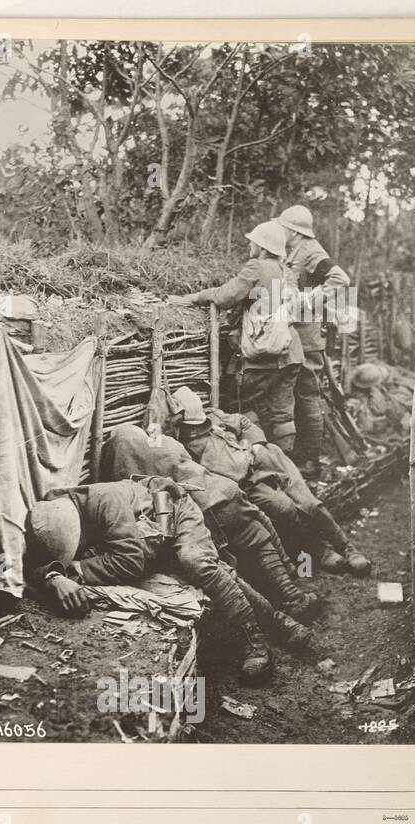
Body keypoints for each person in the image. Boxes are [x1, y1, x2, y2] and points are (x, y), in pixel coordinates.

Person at [25, 475, 278, 686]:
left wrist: (76, 570)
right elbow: (28, 564)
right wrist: (54, 576)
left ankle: (254, 641)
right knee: (208, 572)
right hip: (146, 540)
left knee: (195, 562)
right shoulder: (50, 513)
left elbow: (130, 562)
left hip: (173, 515)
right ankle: (275, 619)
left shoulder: (105, 501)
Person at [101, 422, 320, 632]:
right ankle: (293, 597)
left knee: (225, 573)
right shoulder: (166, 444)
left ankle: (277, 622)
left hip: (203, 511)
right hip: (224, 492)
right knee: (256, 536)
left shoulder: (124, 465)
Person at [170, 386, 372, 576]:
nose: (196, 429)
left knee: (309, 502)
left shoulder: (214, 417)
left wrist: (257, 445)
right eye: (191, 427)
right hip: (249, 482)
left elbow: (243, 421)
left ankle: (347, 548)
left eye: (199, 424)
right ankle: (319, 551)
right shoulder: (182, 447)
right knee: (284, 508)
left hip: (269, 459)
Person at [172, 220, 304, 455]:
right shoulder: (287, 272)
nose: (250, 246)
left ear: (262, 247)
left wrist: (194, 298)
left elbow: (225, 295)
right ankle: (287, 467)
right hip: (291, 352)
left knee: (242, 405)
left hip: (263, 352)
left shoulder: (257, 267)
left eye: (253, 242)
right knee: (283, 412)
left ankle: (258, 465)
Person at [278, 204, 351, 479]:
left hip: (309, 335)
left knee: (307, 395)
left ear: (294, 232)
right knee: (297, 394)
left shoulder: (310, 251)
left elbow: (340, 279)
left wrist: (309, 301)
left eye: (284, 227)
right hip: (297, 332)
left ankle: (311, 461)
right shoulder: (295, 250)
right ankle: (301, 454)